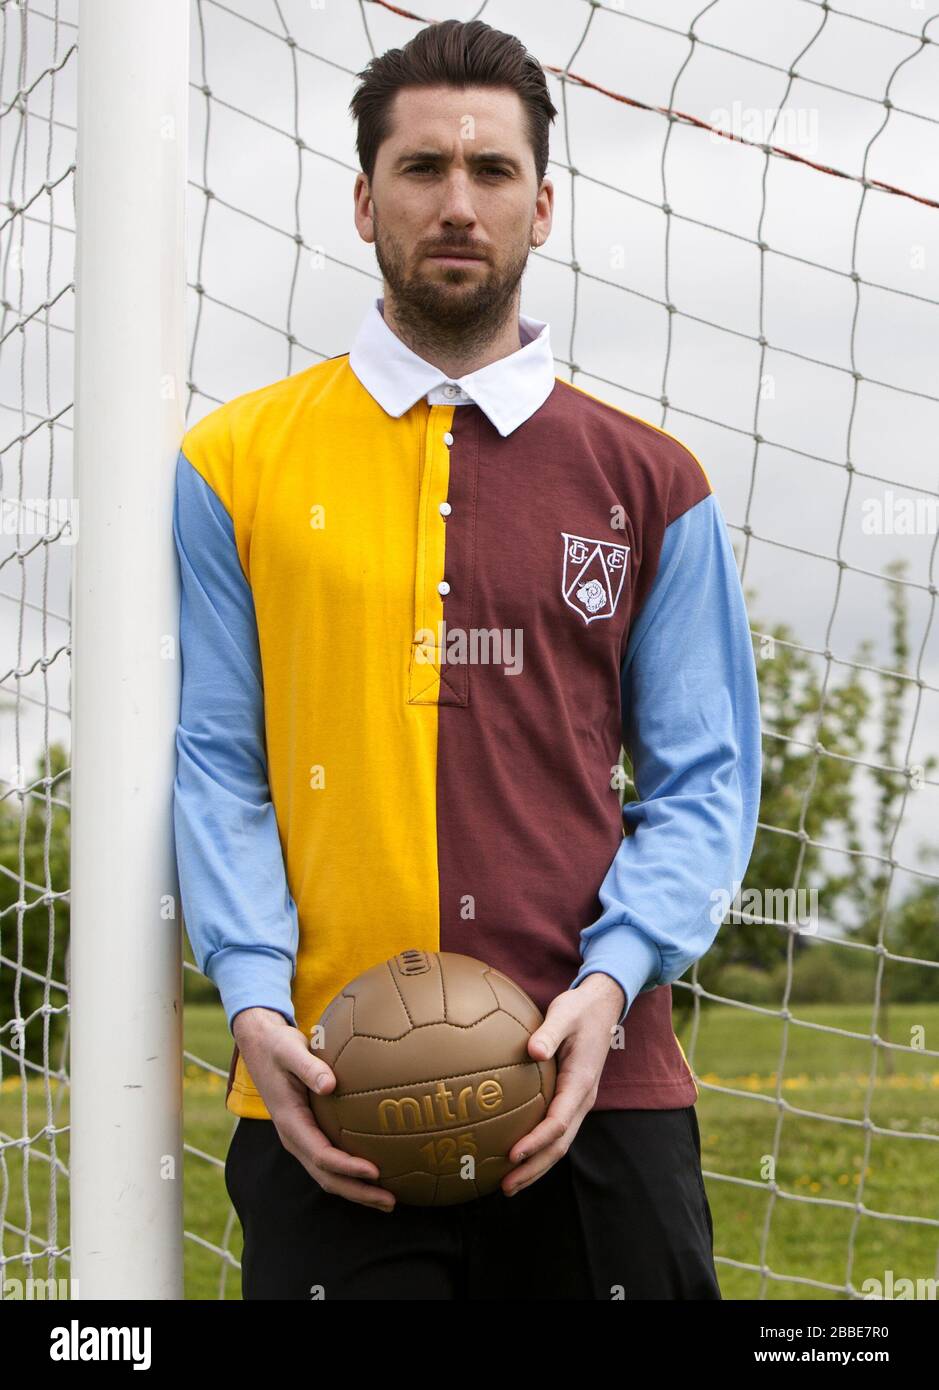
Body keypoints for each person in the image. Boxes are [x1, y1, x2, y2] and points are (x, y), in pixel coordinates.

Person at [173, 17, 761, 1300]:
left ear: (543, 208)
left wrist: (607, 990)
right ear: (362, 199)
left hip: (600, 1086)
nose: (458, 201)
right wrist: (255, 1002)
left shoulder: (656, 482)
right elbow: (218, 762)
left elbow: (706, 782)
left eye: (492, 171)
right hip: (331, 1094)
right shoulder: (234, 464)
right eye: (422, 168)